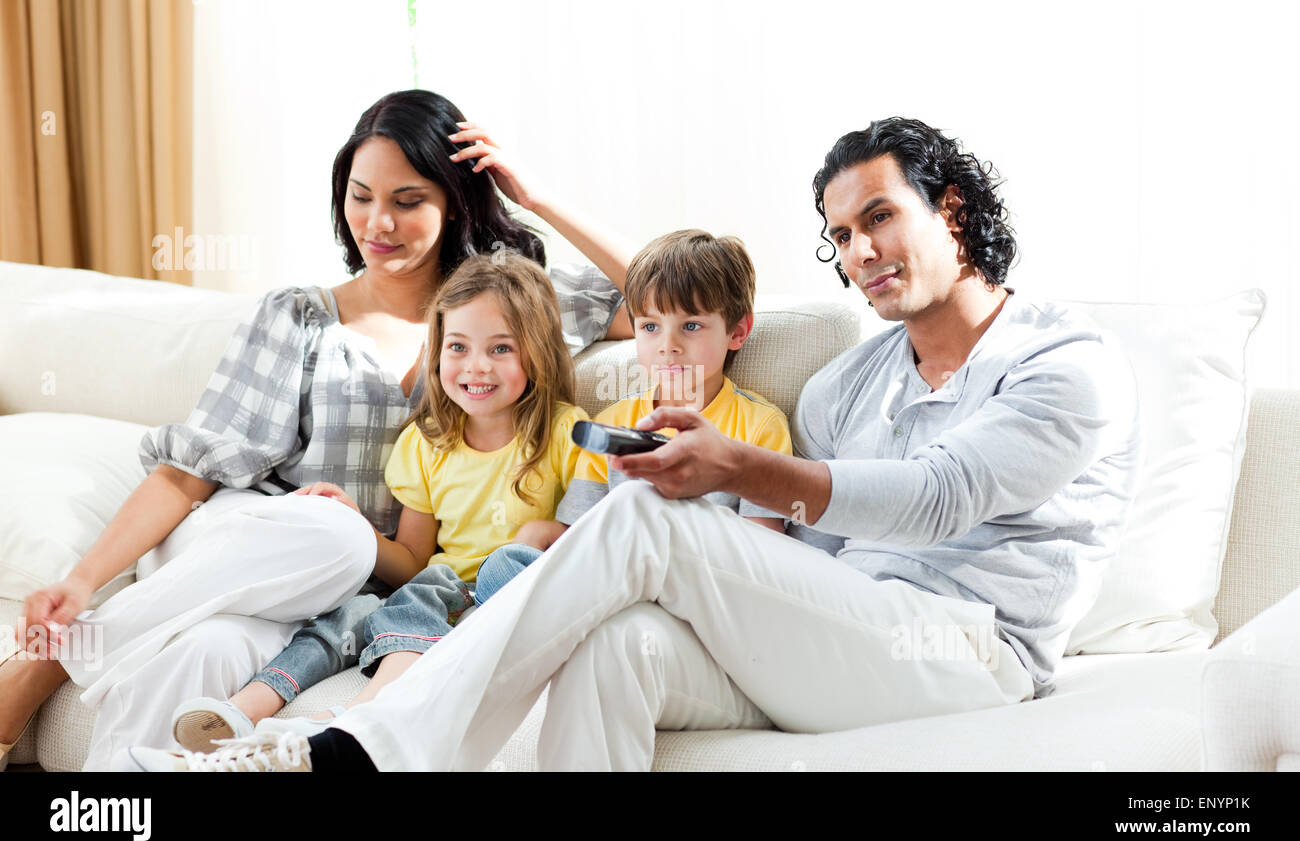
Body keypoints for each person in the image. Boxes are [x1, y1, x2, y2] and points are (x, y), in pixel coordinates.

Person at [123, 116, 1142, 773]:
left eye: (880, 216)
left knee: (653, 514)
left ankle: (363, 755)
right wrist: (730, 545)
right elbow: (808, 563)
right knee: (619, 648)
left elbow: (936, 496)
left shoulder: (1066, 365)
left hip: (969, 654)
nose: (860, 252)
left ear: (950, 206)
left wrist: (734, 470)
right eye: (840, 235)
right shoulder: (846, 382)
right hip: (843, 644)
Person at [0, 88, 633, 771]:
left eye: (408, 200)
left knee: (204, 656)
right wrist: (84, 580)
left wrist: (535, 198)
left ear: (455, 201)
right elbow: (188, 474)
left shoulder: (502, 309)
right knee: (337, 532)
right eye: (360, 196)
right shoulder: (300, 317)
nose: (377, 222)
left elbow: (666, 301)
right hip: (249, 537)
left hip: (339, 594)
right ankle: (49, 662)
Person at [168, 252, 589, 751]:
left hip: (508, 598)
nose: (476, 366)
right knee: (353, 612)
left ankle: (361, 712)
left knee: (433, 595)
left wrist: (546, 536)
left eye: (500, 348)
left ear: (537, 352)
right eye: (458, 346)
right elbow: (411, 563)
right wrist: (355, 526)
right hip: (441, 590)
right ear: (437, 353)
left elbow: (589, 536)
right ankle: (242, 711)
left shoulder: (567, 432)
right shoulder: (428, 443)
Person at [473, 228, 792, 606]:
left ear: (737, 331)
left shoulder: (759, 425)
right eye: (650, 327)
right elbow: (579, 532)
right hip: (608, 577)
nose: (667, 345)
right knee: (506, 565)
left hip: (697, 588)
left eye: (691, 326)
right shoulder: (612, 422)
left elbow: (763, 548)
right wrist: (536, 534)